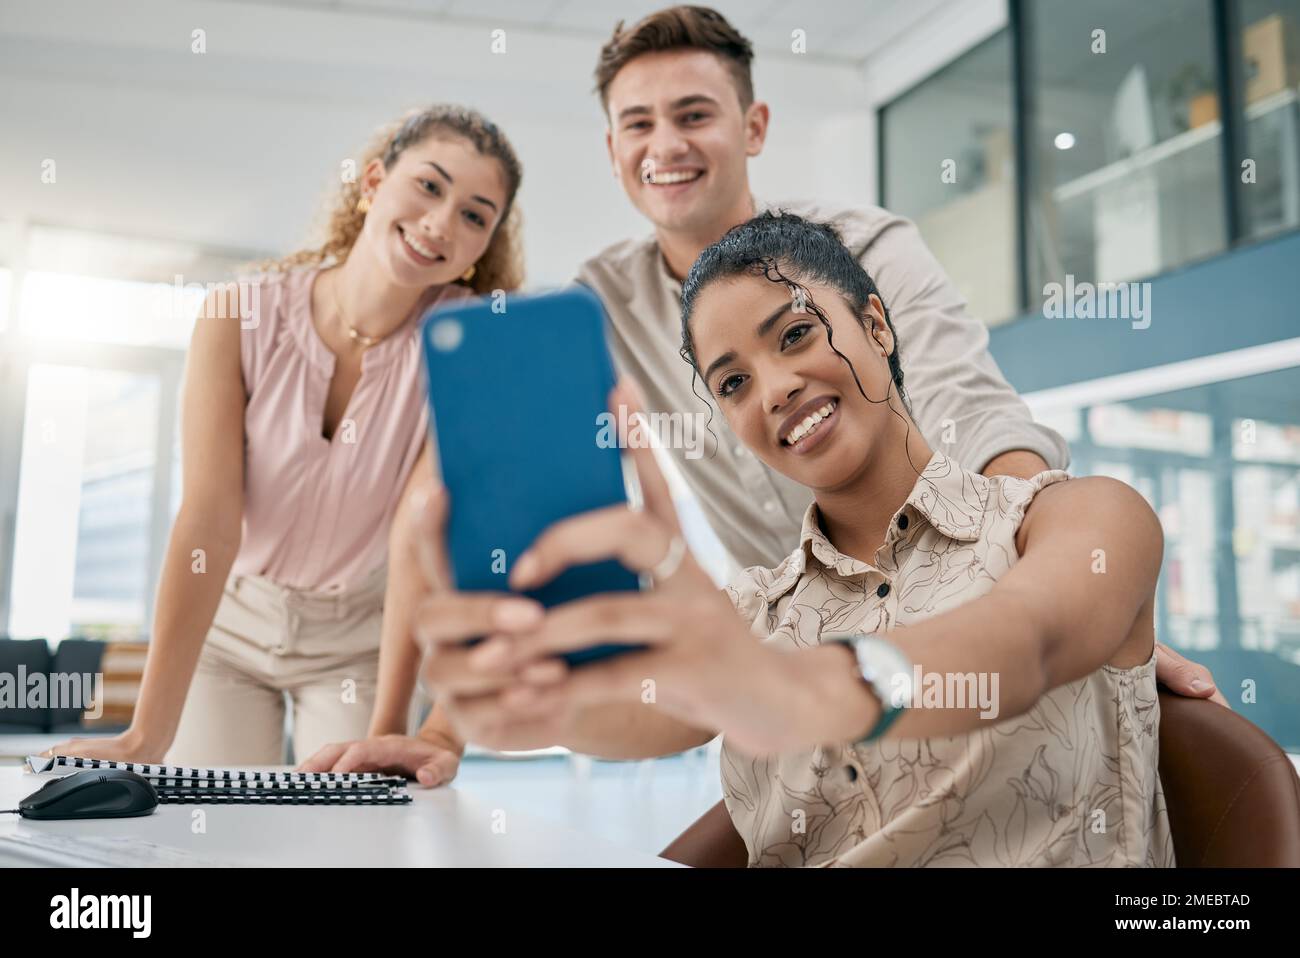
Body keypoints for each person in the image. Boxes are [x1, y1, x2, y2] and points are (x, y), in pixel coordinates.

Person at [304, 6, 1222, 783]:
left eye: (694, 113)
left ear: (752, 128)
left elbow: (977, 418)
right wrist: (448, 722)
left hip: (939, 615)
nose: (666, 144)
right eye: (729, 379)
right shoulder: (602, 309)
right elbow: (468, 505)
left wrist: (1055, 574)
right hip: (801, 634)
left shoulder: (870, 254)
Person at [412, 211, 1177, 867]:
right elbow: (627, 711)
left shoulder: (1079, 519)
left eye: (797, 334)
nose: (773, 389)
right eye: (733, 383)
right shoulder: (750, 614)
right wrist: (509, 703)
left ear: (876, 327)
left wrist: (797, 692)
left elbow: (1027, 641)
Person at [49, 105, 524, 766]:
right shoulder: (237, 312)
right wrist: (143, 736)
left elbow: (420, 536)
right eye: (429, 185)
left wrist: (392, 727)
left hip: (360, 635)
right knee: (217, 835)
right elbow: (209, 519)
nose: (442, 222)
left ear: (483, 247)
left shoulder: (469, 348)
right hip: (231, 624)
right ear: (372, 183)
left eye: (475, 214)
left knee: (352, 831)